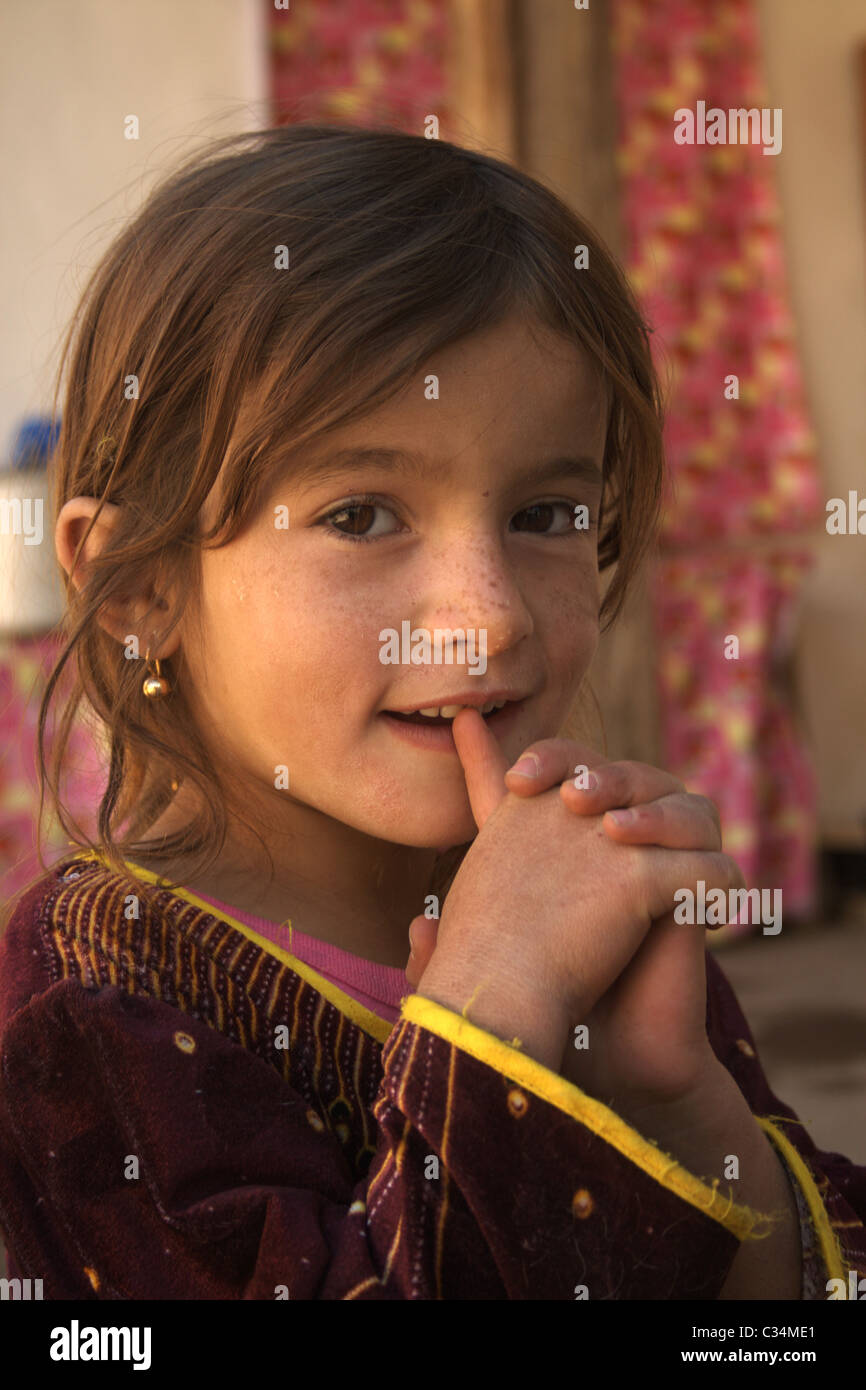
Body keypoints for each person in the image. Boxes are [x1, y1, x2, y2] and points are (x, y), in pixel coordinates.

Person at [0, 124, 863, 1301]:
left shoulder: (582, 905)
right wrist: (491, 1020)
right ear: (142, 588)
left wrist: (681, 1106)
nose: (487, 617)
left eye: (546, 513)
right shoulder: (94, 1014)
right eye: (361, 515)